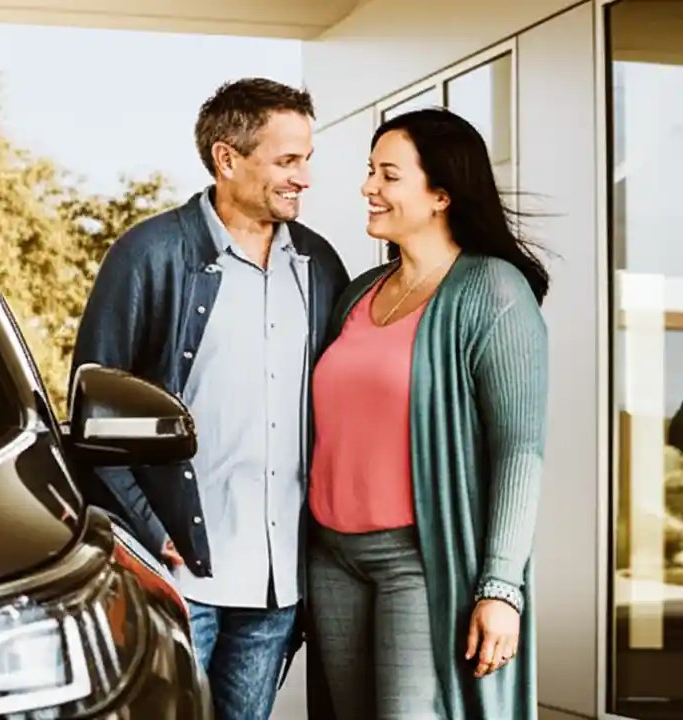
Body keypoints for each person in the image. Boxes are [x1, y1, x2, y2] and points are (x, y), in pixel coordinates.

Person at [69, 78, 349, 720]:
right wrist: (149, 525)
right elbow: (95, 414)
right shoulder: (148, 254)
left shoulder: (319, 264)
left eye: (307, 158)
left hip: (277, 584)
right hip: (178, 573)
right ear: (228, 159)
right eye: (287, 160)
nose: (304, 178)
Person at [306, 107, 549, 719]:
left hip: (419, 562)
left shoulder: (493, 291)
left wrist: (501, 587)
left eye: (388, 175)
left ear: (441, 193)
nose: (368, 188)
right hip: (332, 556)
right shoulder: (358, 293)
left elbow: (520, 449)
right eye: (369, 172)